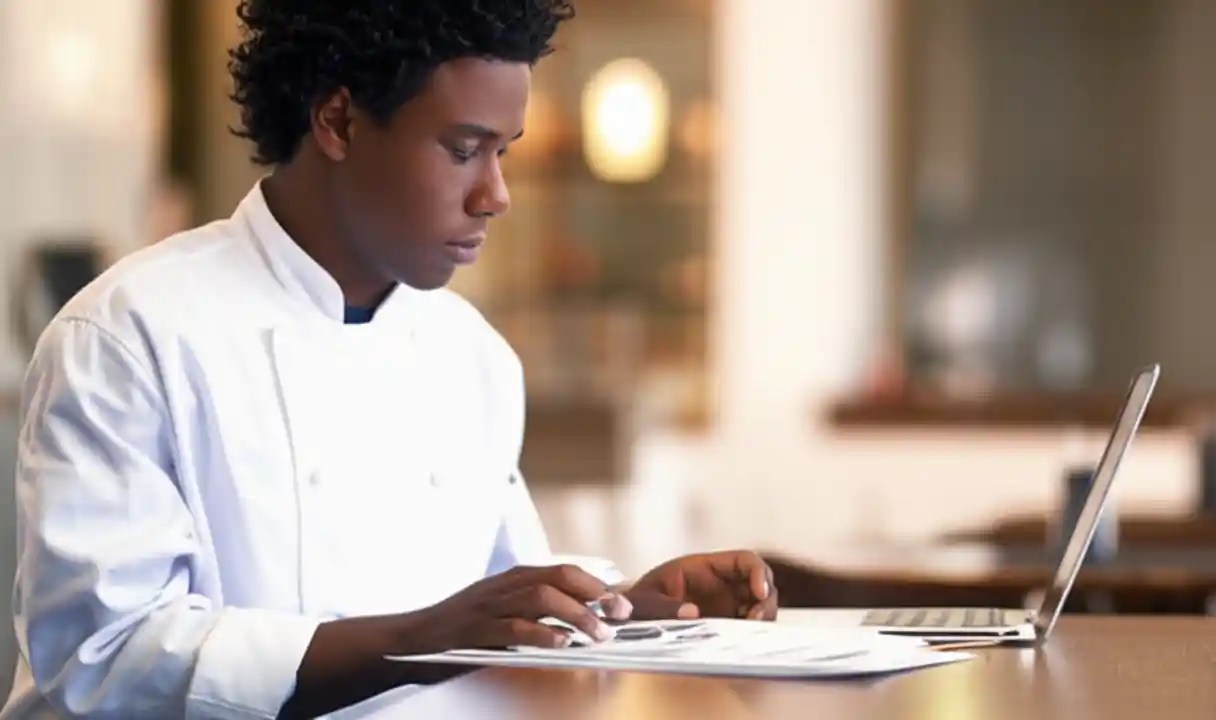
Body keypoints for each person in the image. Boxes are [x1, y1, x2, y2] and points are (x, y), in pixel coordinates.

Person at [2, 1, 777, 718]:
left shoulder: (472, 356)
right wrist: (421, 636)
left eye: (503, 152)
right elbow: (103, 661)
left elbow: (502, 607)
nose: (496, 194)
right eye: (464, 149)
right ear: (338, 120)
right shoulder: (129, 335)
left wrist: (624, 606)